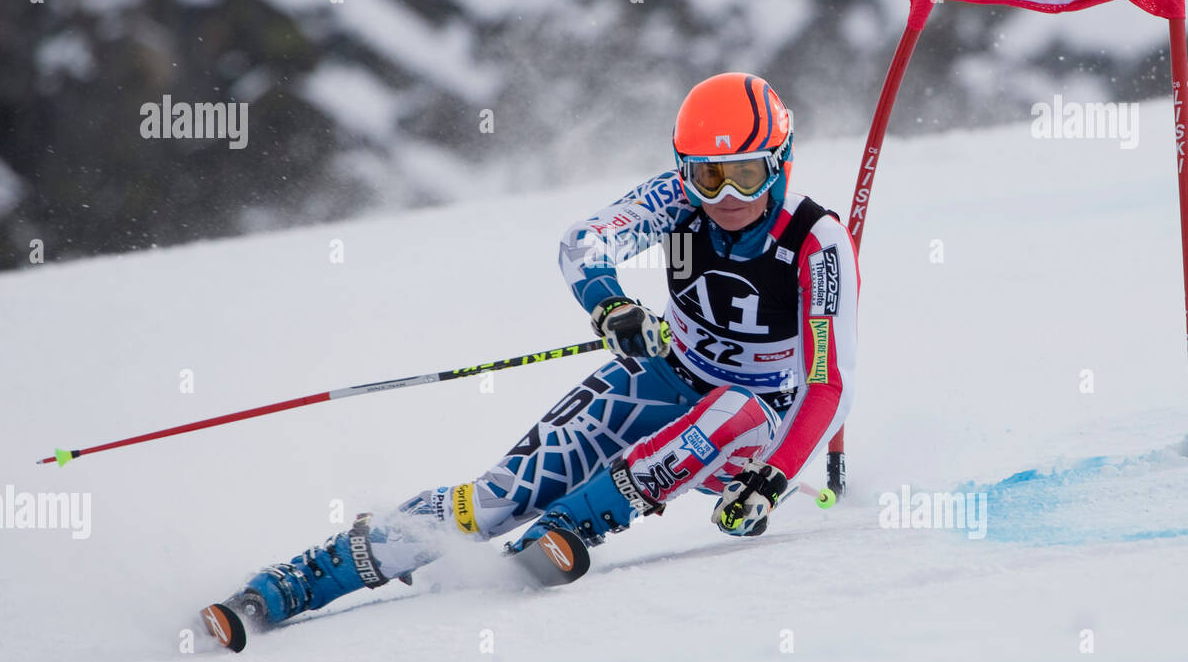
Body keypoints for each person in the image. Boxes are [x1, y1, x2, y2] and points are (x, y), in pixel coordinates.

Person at [218, 72, 859, 627]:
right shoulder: (677, 199)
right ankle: (297, 583)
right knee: (497, 496)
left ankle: (576, 524)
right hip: (667, 374)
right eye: (706, 175)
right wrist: (612, 304)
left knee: (733, 411)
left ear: (780, 163)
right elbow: (585, 241)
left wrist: (772, 484)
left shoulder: (816, 241)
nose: (724, 199)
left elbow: (830, 383)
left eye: (745, 176)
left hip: (763, 425)